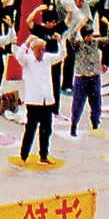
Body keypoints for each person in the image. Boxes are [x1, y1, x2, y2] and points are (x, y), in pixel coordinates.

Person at [13, 36, 65, 164]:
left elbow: (61, 55)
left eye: (43, 50)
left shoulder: (47, 58)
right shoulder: (28, 60)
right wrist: (26, 42)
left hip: (46, 100)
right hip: (33, 101)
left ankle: (43, 155)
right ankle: (23, 155)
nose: (41, 53)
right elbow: (19, 56)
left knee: (46, 129)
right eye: (38, 50)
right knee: (30, 129)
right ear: (32, 50)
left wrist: (60, 41)